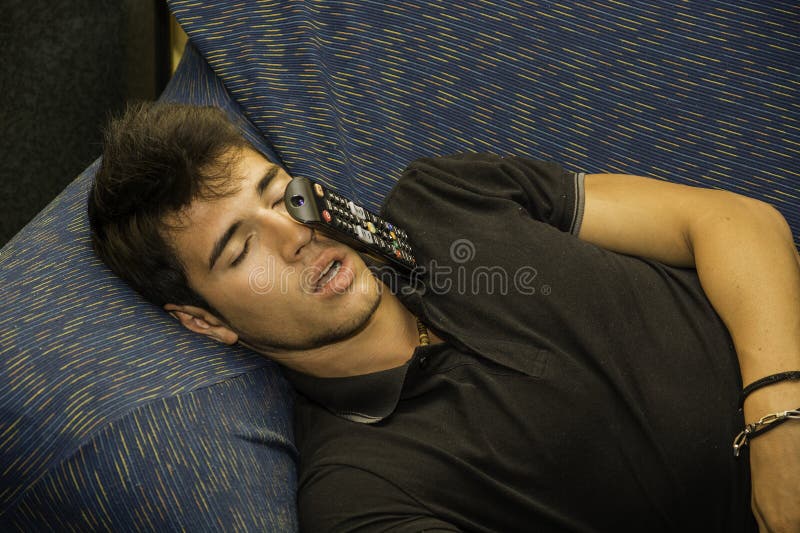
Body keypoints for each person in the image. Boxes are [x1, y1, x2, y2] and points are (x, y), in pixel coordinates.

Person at [88, 102, 799, 532]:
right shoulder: (362, 494)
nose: (295, 231)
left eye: (281, 193)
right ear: (205, 321)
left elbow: (736, 223)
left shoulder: (444, 197)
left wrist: (781, 424)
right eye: (242, 248)